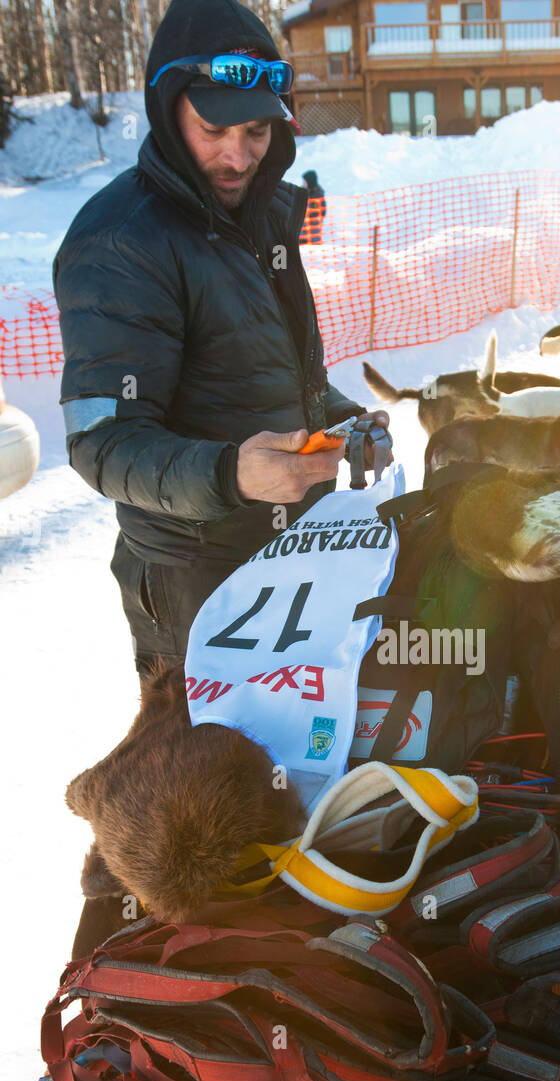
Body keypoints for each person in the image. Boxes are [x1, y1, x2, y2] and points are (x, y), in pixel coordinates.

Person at [53, 0, 389, 681]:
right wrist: (229, 474)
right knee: (212, 783)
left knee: (295, 774)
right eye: (213, 129)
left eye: (257, 130)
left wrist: (343, 419)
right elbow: (102, 443)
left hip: (287, 550)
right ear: (169, 110)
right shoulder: (121, 241)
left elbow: (270, 370)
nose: (237, 156)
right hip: (193, 575)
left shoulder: (259, 215)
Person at [299, 168, 327, 245]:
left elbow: (317, 215)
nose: (303, 183)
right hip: (302, 235)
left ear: (309, 182)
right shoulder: (303, 191)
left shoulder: (317, 196)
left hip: (312, 237)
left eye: (305, 181)